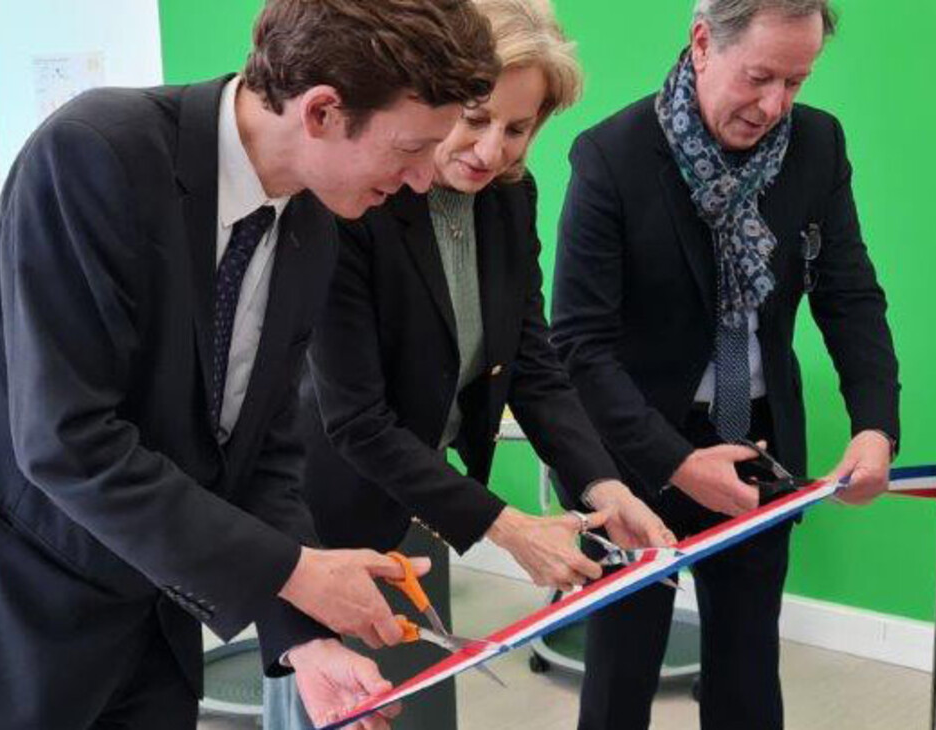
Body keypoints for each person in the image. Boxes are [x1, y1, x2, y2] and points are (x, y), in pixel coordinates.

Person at [0, 1, 499, 728]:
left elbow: (267, 450)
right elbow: (68, 440)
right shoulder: (94, 154)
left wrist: (303, 635)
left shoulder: (311, 222)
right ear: (322, 112)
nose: (421, 181)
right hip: (8, 614)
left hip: (152, 623)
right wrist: (298, 573)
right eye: (408, 150)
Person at [264, 1, 676, 727]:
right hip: (323, 513)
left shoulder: (509, 202)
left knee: (418, 703)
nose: (492, 151)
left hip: (420, 498)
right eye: (476, 119)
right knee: (342, 708)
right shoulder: (355, 199)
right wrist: (508, 527)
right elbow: (356, 420)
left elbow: (535, 366)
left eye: (518, 129)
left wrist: (603, 484)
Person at [551, 1, 900, 727]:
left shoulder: (816, 146)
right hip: (637, 460)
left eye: (796, 83)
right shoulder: (611, 156)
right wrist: (678, 463)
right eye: (761, 77)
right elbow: (580, 344)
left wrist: (875, 426)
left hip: (757, 451)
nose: (775, 105)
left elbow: (850, 294)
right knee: (619, 681)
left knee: (747, 676)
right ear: (703, 42)